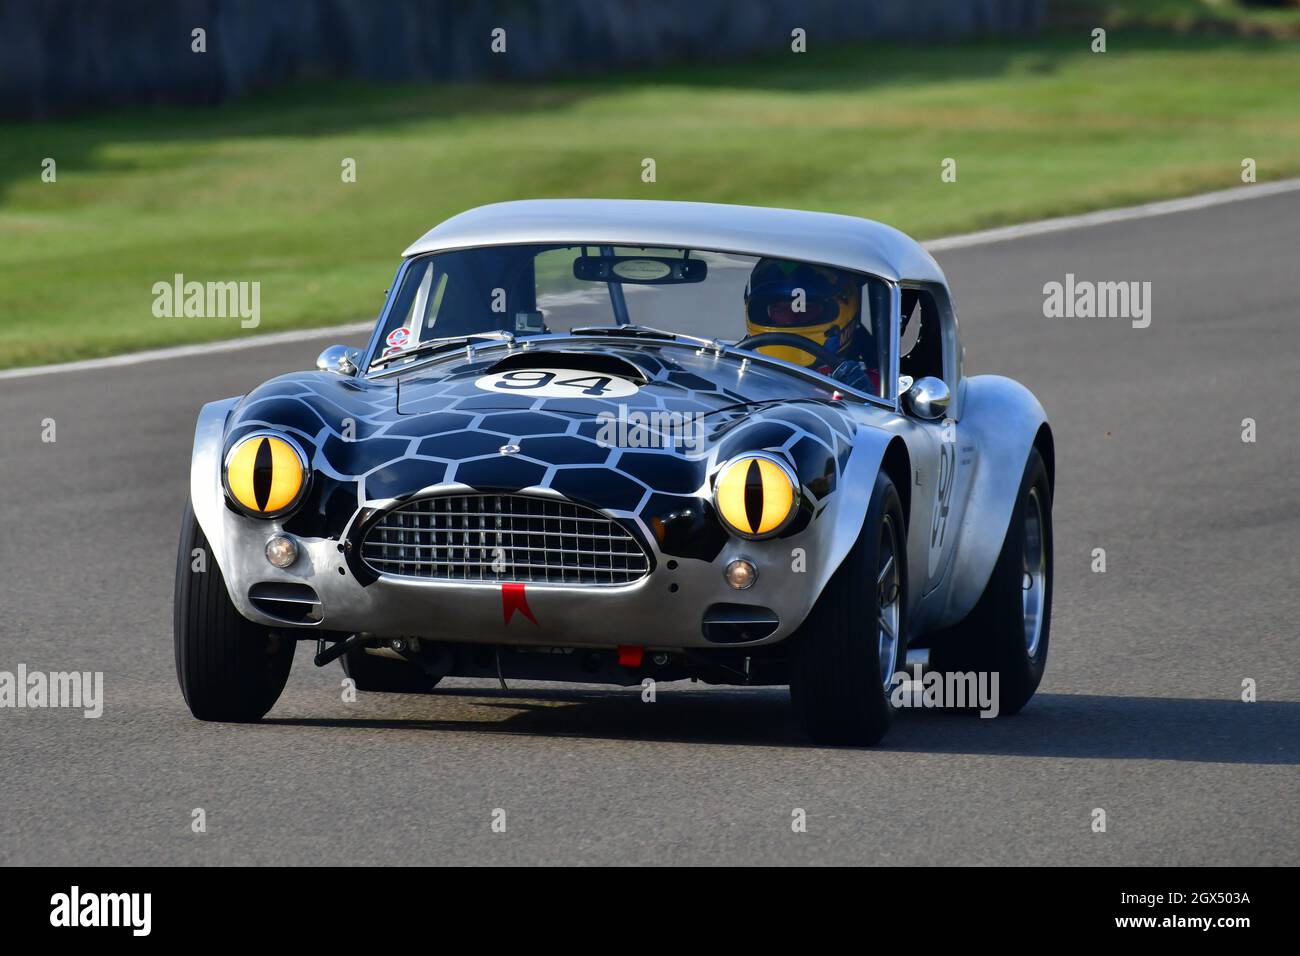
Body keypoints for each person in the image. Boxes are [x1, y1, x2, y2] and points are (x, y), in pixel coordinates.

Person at [743, 258, 879, 391]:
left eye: (805, 309)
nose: (790, 319)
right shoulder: (736, 372)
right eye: (779, 310)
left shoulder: (872, 387)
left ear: (845, 306)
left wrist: (864, 402)